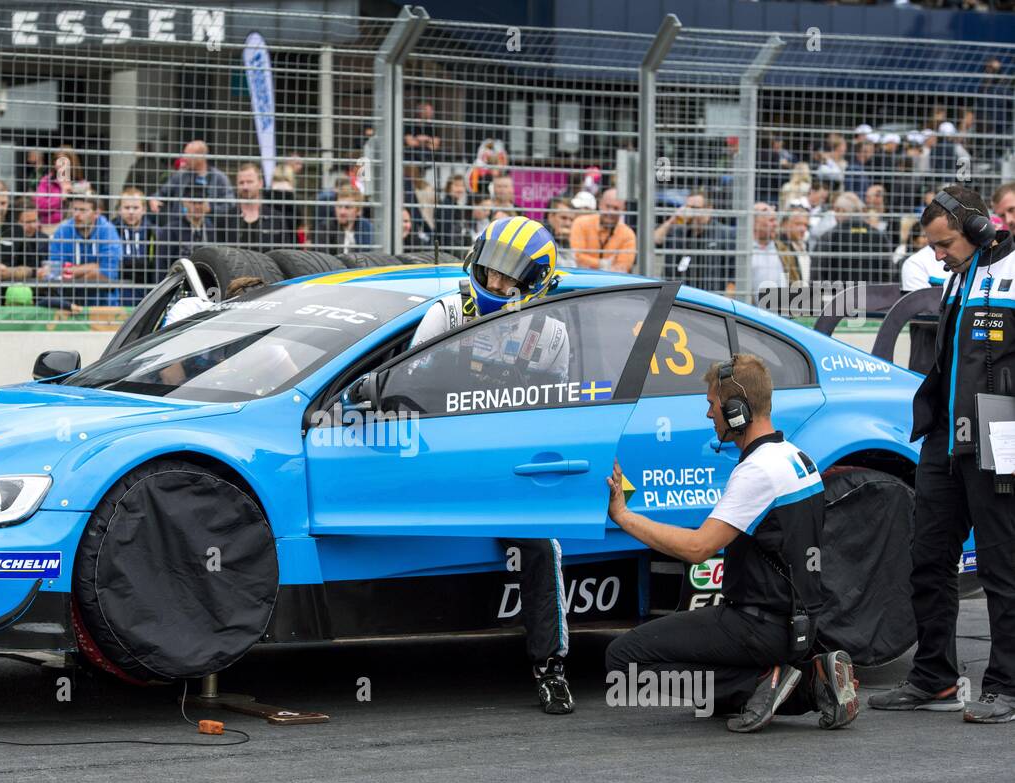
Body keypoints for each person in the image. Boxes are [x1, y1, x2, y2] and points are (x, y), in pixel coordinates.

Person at [605, 355, 859, 733]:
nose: (710, 415)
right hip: (800, 625)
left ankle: (765, 683)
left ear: (736, 411)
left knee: (623, 661)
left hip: (759, 626)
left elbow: (697, 549)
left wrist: (625, 517)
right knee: (707, 689)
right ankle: (813, 681)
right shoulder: (798, 458)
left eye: (712, 405)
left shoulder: (756, 472)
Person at [405, 215, 575, 714]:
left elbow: (558, 410)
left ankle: (550, 668)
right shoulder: (447, 311)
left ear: (535, 282)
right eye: (490, 269)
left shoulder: (551, 333)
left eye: (509, 276)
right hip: (439, 458)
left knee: (544, 547)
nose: (495, 283)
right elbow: (405, 382)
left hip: (506, 467)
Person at [869, 184, 1015, 723]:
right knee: (928, 560)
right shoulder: (957, 277)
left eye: (945, 242)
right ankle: (934, 677)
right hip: (944, 442)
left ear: (978, 229)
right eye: (932, 245)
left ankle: (1007, 684)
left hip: (999, 440)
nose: (938, 253)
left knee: (1002, 567)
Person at [47, 183, 123, 308]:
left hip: (103, 305)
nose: (77, 214)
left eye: (83, 210)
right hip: (68, 304)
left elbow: (107, 274)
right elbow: (55, 273)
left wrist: (72, 271)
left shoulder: (108, 231)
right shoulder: (63, 230)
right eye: (75, 209)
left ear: (97, 212)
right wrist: (93, 267)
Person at [653, 190, 735, 295]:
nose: (691, 213)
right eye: (688, 207)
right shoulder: (678, 232)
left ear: (709, 209)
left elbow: (733, 280)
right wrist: (672, 219)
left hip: (711, 299)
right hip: (678, 298)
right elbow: (654, 240)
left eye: (695, 208)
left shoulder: (725, 235)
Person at [111, 186, 158, 304]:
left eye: (136, 208)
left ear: (144, 209)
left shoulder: (153, 232)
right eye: (127, 208)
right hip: (118, 290)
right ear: (119, 210)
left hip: (146, 291)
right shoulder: (112, 230)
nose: (131, 212)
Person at [571, 187, 634, 273]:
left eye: (615, 208)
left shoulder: (627, 234)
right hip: (583, 277)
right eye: (607, 206)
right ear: (600, 204)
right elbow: (577, 257)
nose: (610, 212)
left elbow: (622, 268)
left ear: (623, 210)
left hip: (613, 282)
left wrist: (589, 262)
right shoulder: (581, 223)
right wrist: (603, 264)